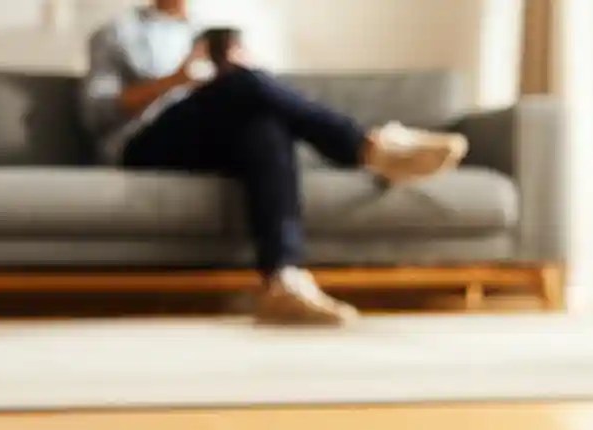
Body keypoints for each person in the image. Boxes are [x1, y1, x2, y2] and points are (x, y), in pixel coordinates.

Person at [81, 0, 468, 326]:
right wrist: (176, 79)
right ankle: (367, 147)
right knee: (249, 85)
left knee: (263, 125)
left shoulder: (211, 30)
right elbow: (97, 111)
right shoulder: (117, 32)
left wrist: (234, 72)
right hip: (144, 143)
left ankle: (284, 279)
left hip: (208, 134)